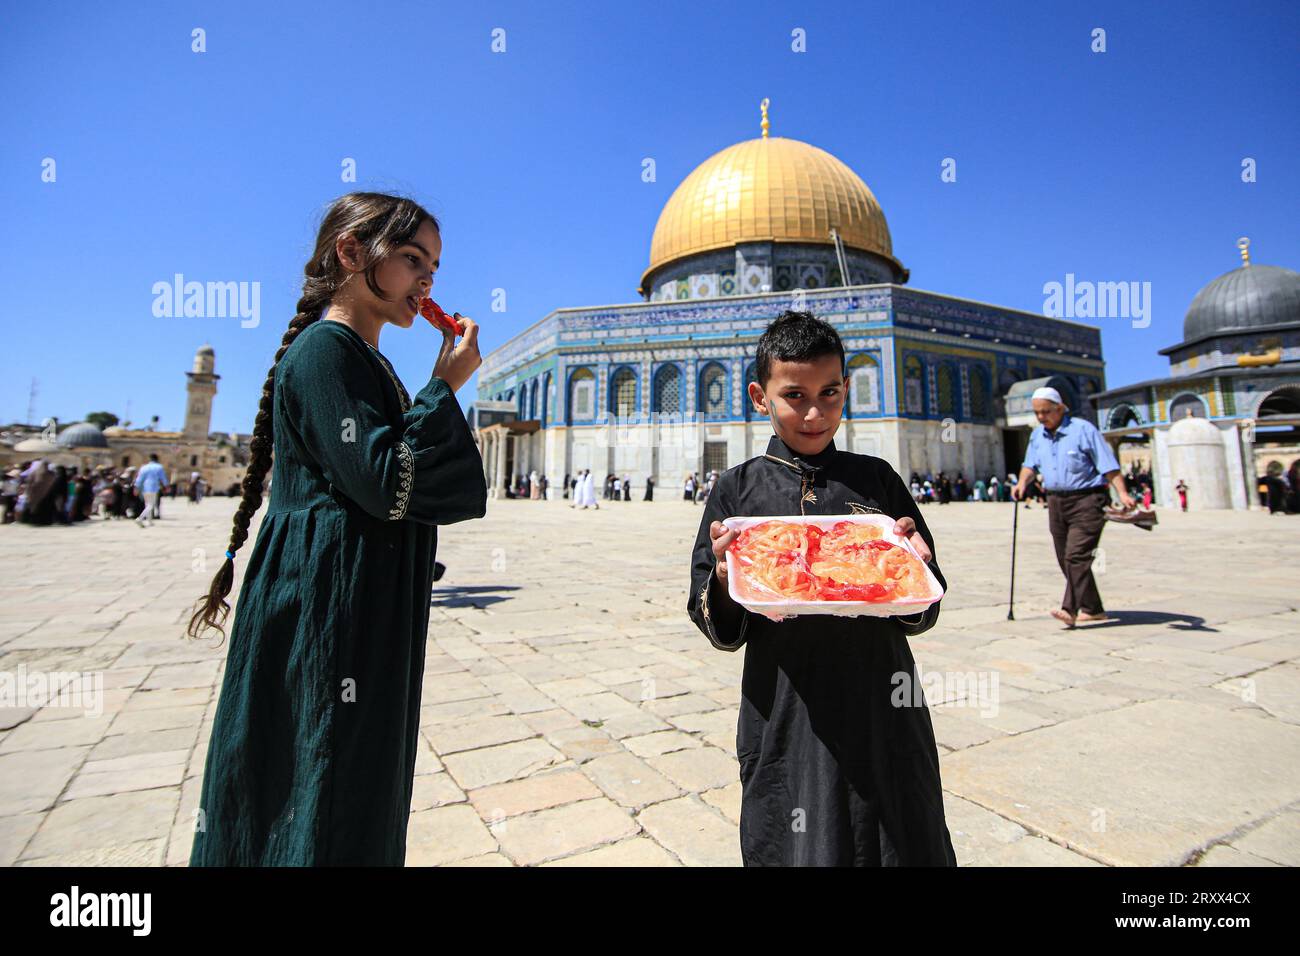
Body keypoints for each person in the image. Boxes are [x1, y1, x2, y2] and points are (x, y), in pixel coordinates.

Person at [187, 193, 488, 866]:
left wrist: (437, 390)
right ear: (352, 254)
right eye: (413, 260)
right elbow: (388, 482)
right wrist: (443, 387)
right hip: (327, 607)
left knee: (349, 781)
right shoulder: (328, 350)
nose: (428, 282)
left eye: (434, 267)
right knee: (321, 781)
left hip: (354, 604)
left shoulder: (364, 357)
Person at [687, 310, 955, 866]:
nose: (814, 413)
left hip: (883, 705)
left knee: (894, 838)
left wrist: (914, 569)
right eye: (795, 396)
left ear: (847, 389)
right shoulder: (737, 491)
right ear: (760, 397)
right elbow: (720, 630)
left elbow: (923, 611)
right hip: (786, 709)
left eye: (830, 393)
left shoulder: (877, 480)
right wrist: (722, 575)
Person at [1012, 386, 1135, 629]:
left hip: (1088, 500)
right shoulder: (1038, 436)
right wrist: (1021, 483)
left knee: (1076, 555)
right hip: (1056, 501)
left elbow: (1108, 465)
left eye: (1045, 412)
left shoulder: (1083, 430)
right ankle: (1093, 608)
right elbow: (1030, 464)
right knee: (1064, 557)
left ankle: (1070, 608)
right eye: (1037, 413)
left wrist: (1122, 493)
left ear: (1060, 408)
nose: (1041, 417)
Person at [134, 454, 169, 527]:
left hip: (144, 488)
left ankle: (150, 521)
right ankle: (140, 518)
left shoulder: (144, 467)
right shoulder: (159, 467)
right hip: (153, 487)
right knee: (151, 505)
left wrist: (136, 487)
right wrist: (166, 486)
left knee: (147, 504)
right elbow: (163, 478)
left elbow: (139, 479)